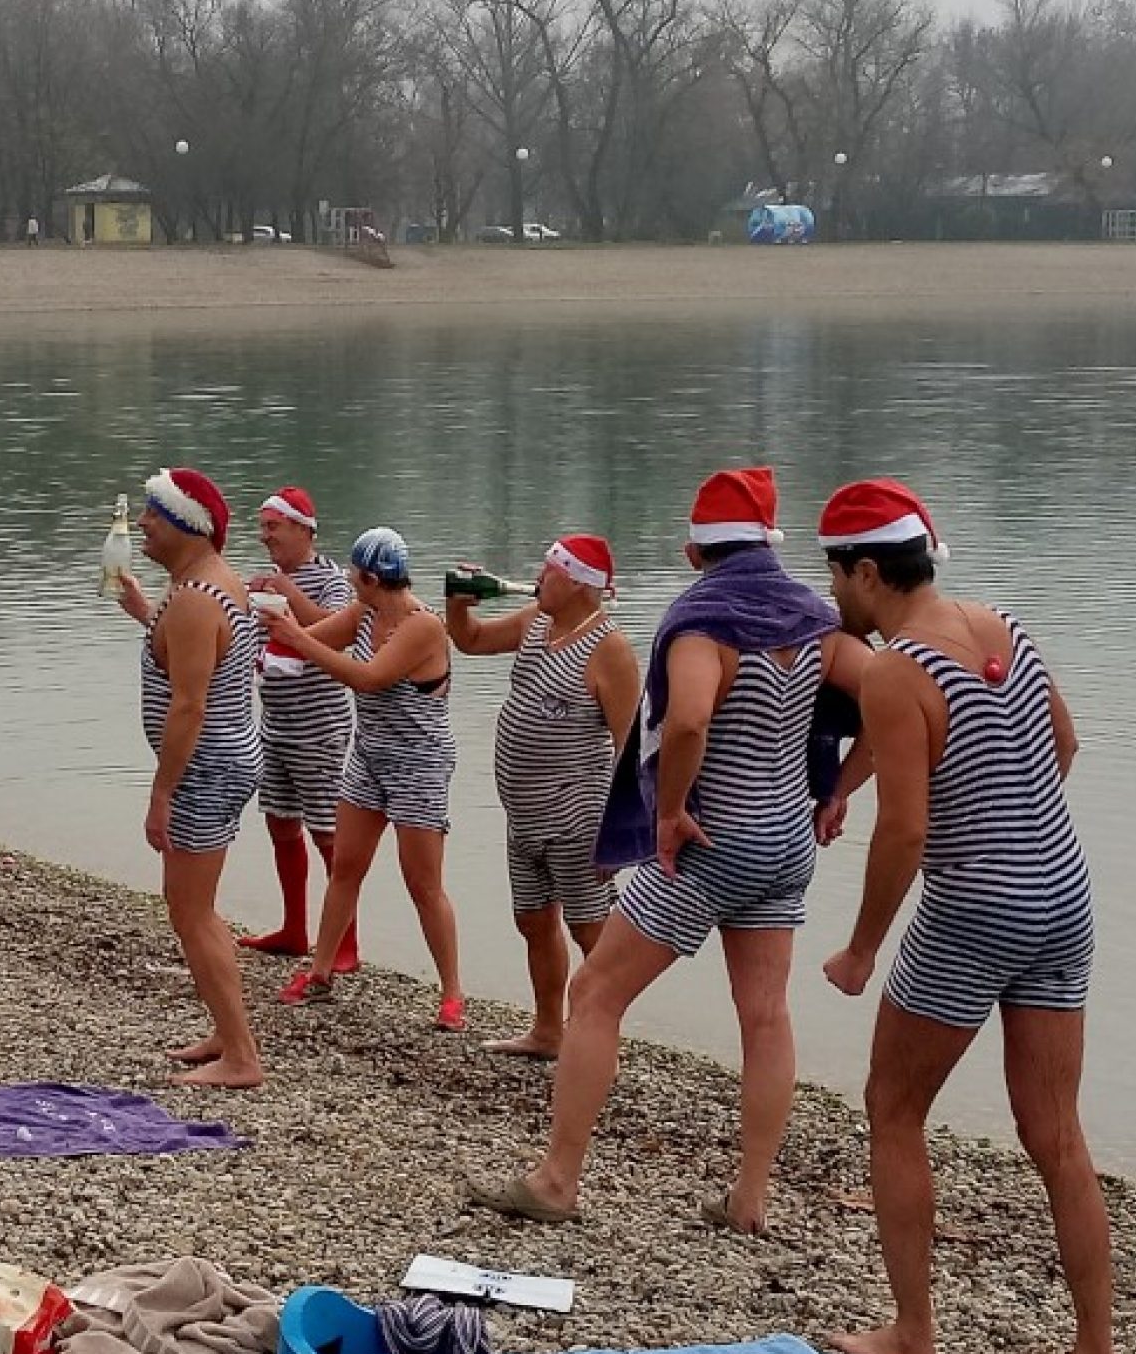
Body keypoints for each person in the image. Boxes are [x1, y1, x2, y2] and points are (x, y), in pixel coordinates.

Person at [469, 468, 868, 1232]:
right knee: (764, 1015)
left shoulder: (705, 619)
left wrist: (673, 810)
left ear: (694, 552)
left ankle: (557, 1179)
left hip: (710, 842)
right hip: (786, 841)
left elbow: (686, 722)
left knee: (595, 996)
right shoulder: (815, 619)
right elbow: (893, 698)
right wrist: (841, 787)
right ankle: (750, 1197)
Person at [814, 480, 1121, 1354]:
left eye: (834, 574)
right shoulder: (1005, 627)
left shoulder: (894, 671)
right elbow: (1062, 743)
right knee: (1058, 1136)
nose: (831, 592)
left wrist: (862, 948)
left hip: (974, 907)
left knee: (894, 1108)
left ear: (868, 573)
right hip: (1062, 892)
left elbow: (905, 832)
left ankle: (912, 1336)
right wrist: (1017, 826)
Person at [261, 527, 468, 1031]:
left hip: (418, 761)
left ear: (372, 578)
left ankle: (452, 993)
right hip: (369, 754)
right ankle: (321, 971)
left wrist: (295, 639)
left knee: (423, 883)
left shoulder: (422, 626)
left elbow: (368, 677)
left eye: (357, 574)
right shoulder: (366, 611)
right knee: (346, 868)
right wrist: (281, 622)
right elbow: (318, 637)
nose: (351, 580)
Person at [444, 534, 639, 1058]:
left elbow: (632, 745)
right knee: (532, 921)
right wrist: (457, 605)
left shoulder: (609, 647)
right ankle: (550, 1030)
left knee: (591, 931)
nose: (537, 576)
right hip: (523, 813)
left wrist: (621, 833)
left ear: (576, 582)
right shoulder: (537, 620)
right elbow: (472, 641)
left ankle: (598, 1037)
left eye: (548, 569)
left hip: (579, 815)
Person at [112, 468, 267, 1088]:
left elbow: (190, 704)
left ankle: (242, 1057)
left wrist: (162, 791)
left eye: (153, 514)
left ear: (186, 525)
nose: (142, 526)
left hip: (206, 766)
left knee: (191, 911)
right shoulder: (200, 587)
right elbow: (191, 655)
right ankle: (224, 1032)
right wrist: (146, 616)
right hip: (224, 759)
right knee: (197, 909)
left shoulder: (201, 597)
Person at [234, 487, 361, 973]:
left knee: (329, 835)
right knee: (280, 823)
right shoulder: (268, 581)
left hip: (320, 725)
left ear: (303, 529)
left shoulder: (330, 579)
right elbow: (247, 642)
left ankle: (345, 943)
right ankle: (294, 929)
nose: (266, 537)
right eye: (263, 527)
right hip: (276, 722)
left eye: (274, 527)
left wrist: (290, 597)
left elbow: (341, 628)